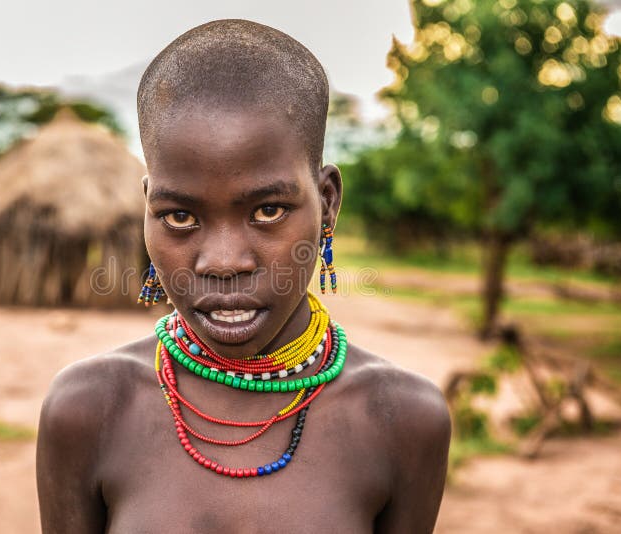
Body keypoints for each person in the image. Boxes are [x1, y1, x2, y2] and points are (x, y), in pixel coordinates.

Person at [36, 19, 451, 533]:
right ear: (147, 208)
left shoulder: (402, 419)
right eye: (180, 217)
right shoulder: (89, 410)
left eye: (268, 210)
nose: (224, 262)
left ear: (326, 203)